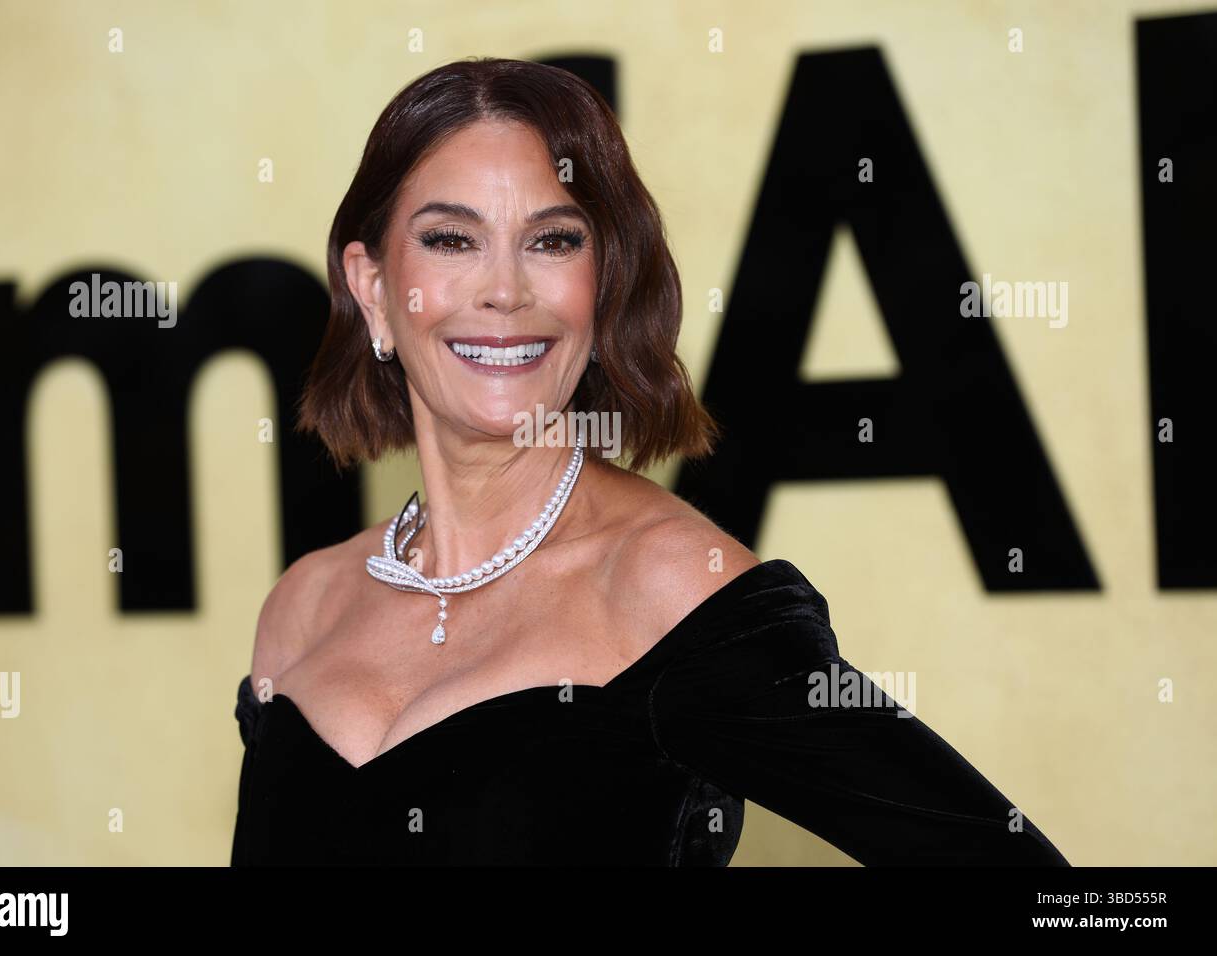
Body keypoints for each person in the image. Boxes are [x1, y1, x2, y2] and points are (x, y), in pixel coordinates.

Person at [230, 57, 1069, 866]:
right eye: (452, 239)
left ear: (607, 282)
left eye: (553, 241)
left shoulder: (668, 586)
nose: (504, 292)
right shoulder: (304, 609)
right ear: (373, 289)